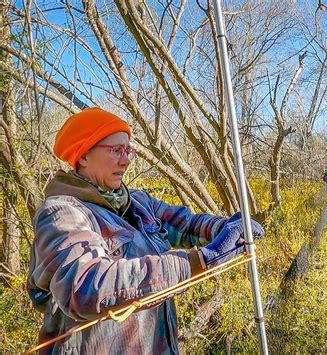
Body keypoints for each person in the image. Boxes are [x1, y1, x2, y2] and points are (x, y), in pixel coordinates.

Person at [27, 107, 264, 354]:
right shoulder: (62, 214)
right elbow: (87, 287)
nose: (126, 160)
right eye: (116, 151)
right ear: (83, 156)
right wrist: (196, 262)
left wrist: (226, 228)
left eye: (128, 151)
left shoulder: (138, 202)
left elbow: (185, 225)